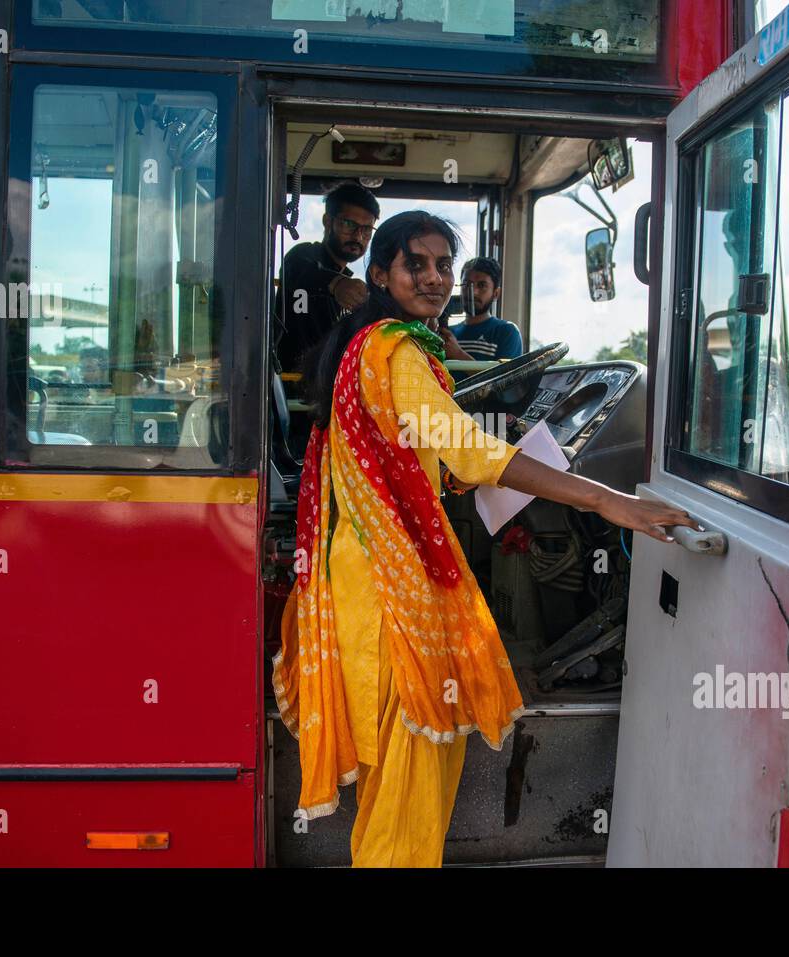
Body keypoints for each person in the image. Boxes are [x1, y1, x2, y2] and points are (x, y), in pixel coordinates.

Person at [274, 211, 699, 867]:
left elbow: (427, 452)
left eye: (445, 264)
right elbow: (470, 455)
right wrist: (607, 499)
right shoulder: (398, 353)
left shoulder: (371, 346)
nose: (437, 277)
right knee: (410, 786)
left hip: (366, 583)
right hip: (394, 593)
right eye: (417, 262)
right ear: (380, 272)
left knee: (396, 779)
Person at [274, 182, 379, 372]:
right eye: (349, 224)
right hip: (289, 388)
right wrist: (337, 285)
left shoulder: (349, 283)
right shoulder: (303, 256)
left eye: (367, 229)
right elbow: (298, 270)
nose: (358, 236)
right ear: (327, 222)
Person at [447, 257, 523, 361]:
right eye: (467, 284)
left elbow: (507, 377)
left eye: (482, 285)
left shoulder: (506, 332)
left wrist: (458, 354)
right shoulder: (449, 334)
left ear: (496, 293)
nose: (473, 292)